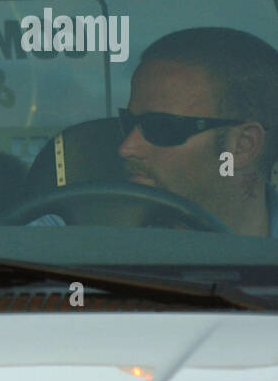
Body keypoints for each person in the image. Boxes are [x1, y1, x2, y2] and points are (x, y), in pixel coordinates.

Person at [113, 27, 278, 237]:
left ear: (242, 146)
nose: (126, 148)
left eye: (161, 126)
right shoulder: (83, 232)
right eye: (128, 122)